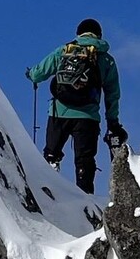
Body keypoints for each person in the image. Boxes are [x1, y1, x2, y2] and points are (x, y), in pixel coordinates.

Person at [25, 18, 126, 193]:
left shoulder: (64, 51)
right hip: (88, 117)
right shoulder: (106, 59)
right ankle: (86, 197)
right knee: (84, 161)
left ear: (79, 34)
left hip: (59, 113)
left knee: (52, 154)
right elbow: (113, 94)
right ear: (99, 35)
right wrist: (112, 122)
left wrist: (30, 74)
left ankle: (48, 189)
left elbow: (38, 74)